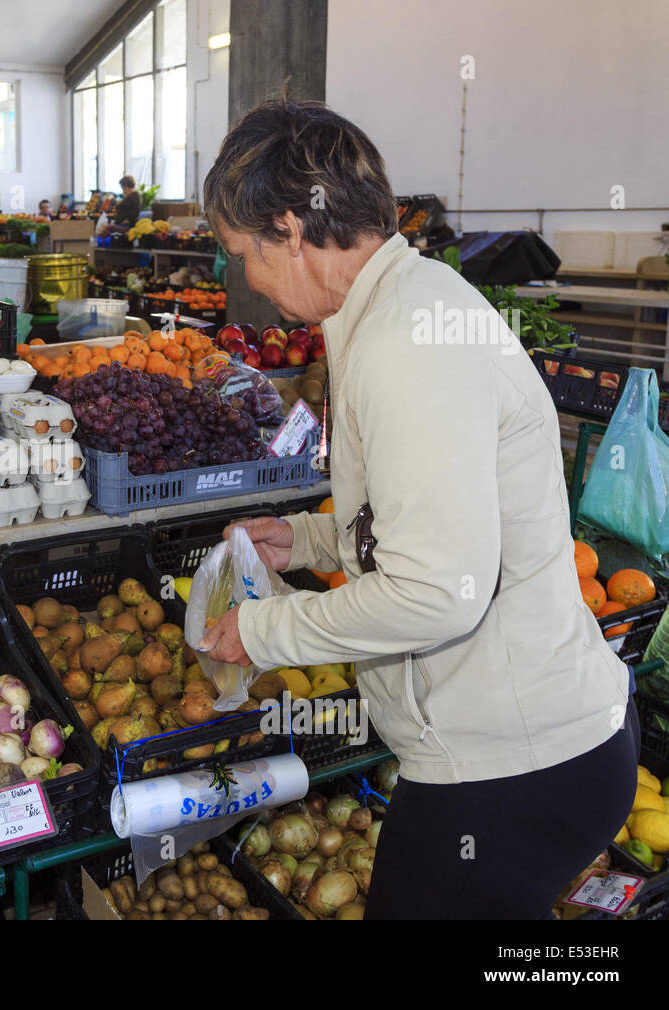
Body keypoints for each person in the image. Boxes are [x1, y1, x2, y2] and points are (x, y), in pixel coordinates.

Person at [196, 99, 636, 919]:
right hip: (521, 751)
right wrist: (306, 537)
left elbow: (437, 592)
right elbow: (415, 520)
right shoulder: (385, 312)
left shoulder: (409, 342)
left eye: (242, 254)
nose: (246, 281)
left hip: (513, 766)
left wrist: (259, 631)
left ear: (291, 229)